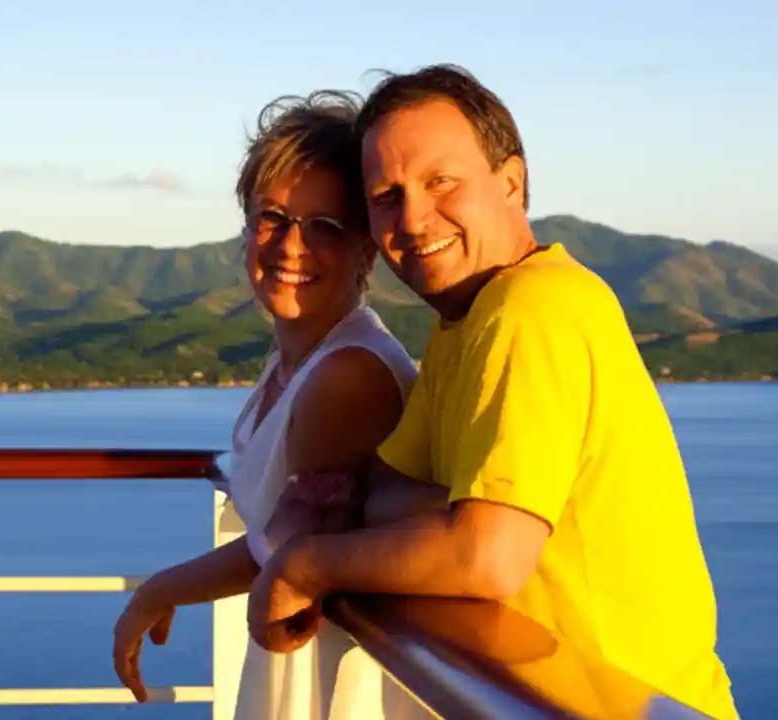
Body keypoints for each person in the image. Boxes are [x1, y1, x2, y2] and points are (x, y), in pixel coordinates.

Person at [247, 65, 740, 720]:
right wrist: (457, 515)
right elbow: (377, 491)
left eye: (439, 181)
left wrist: (304, 567)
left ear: (511, 182)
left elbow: (485, 559)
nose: (415, 218)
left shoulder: (532, 308)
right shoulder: (464, 325)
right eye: (387, 195)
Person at [112, 90, 424, 719]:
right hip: (295, 661)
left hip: (328, 681)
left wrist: (157, 592)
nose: (290, 246)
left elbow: (286, 554)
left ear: (367, 248)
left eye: (325, 227)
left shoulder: (347, 377)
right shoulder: (302, 356)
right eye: (272, 217)